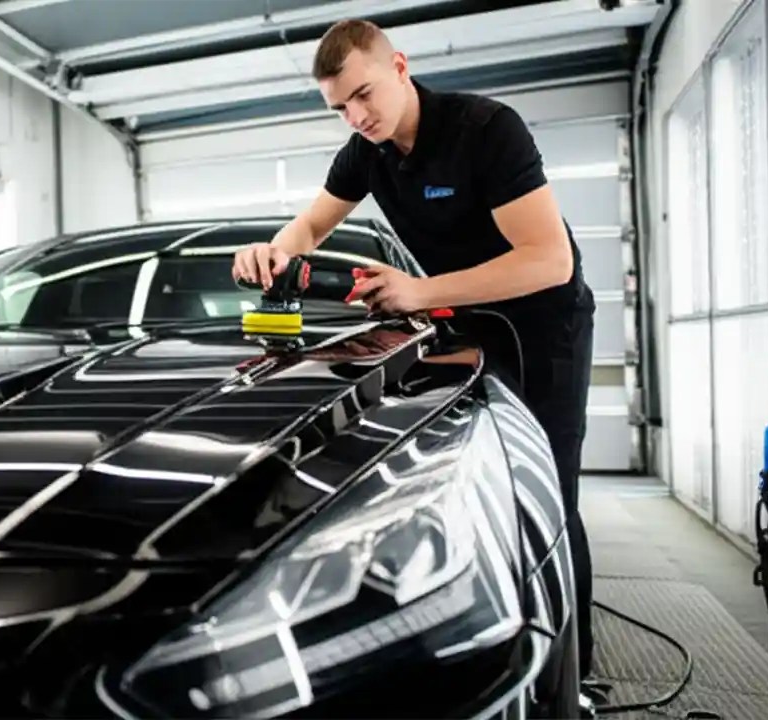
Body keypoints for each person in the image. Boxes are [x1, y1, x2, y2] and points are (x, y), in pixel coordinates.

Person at [231, 19, 598, 684]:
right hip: (468, 326)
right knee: (483, 485)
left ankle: (574, 671)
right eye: (340, 107)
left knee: (546, 492)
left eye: (364, 94)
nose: (356, 115)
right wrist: (274, 252)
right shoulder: (366, 152)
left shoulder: (486, 130)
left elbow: (549, 260)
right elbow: (312, 224)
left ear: (399, 67)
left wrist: (420, 291)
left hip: (547, 325)